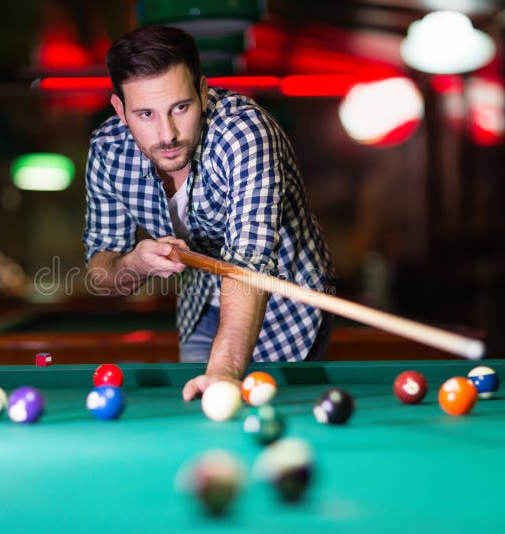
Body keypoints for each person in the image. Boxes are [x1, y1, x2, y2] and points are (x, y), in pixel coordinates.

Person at [83, 25, 334, 401]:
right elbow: (100, 274)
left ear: (202, 91)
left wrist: (222, 373)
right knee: (199, 415)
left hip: (285, 306)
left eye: (180, 108)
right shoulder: (108, 150)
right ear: (120, 109)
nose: (166, 134)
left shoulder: (244, 133)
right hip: (200, 305)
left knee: (270, 422)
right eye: (145, 113)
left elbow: (249, 265)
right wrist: (137, 263)